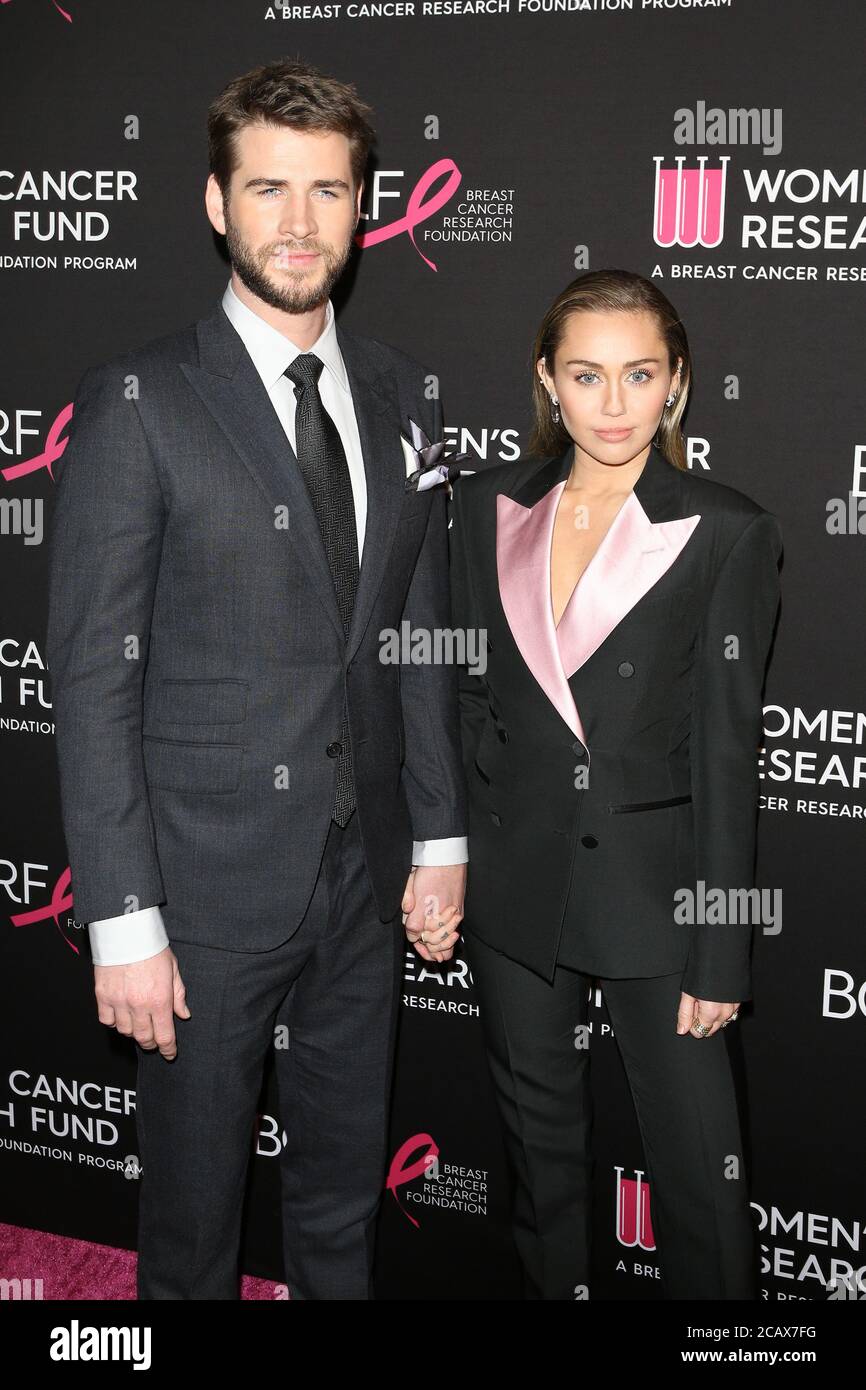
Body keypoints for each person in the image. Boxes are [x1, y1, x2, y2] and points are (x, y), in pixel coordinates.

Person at [45, 58, 466, 1301]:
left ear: (360, 206)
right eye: (268, 189)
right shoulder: (138, 400)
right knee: (192, 1221)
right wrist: (122, 916)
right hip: (200, 886)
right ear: (217, 205)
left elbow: (418, 632)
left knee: (342, 1195)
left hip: (361, 872)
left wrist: (436, 833)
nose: (299, 222)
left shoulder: (397, 393)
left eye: (327, 191)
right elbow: (90, 674)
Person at [448, 268, 783, 1300]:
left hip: (658, 900)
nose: (610, 403)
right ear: (546, 379)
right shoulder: (482, 508)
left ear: (674, 383)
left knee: (696, 1176)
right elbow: (468, 706)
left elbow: (729, 753)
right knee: (537, 1165)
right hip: (516, 891)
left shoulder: (727, 529)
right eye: (585, 375)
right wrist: (449, 865)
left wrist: (719, 951)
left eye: (637, 375)